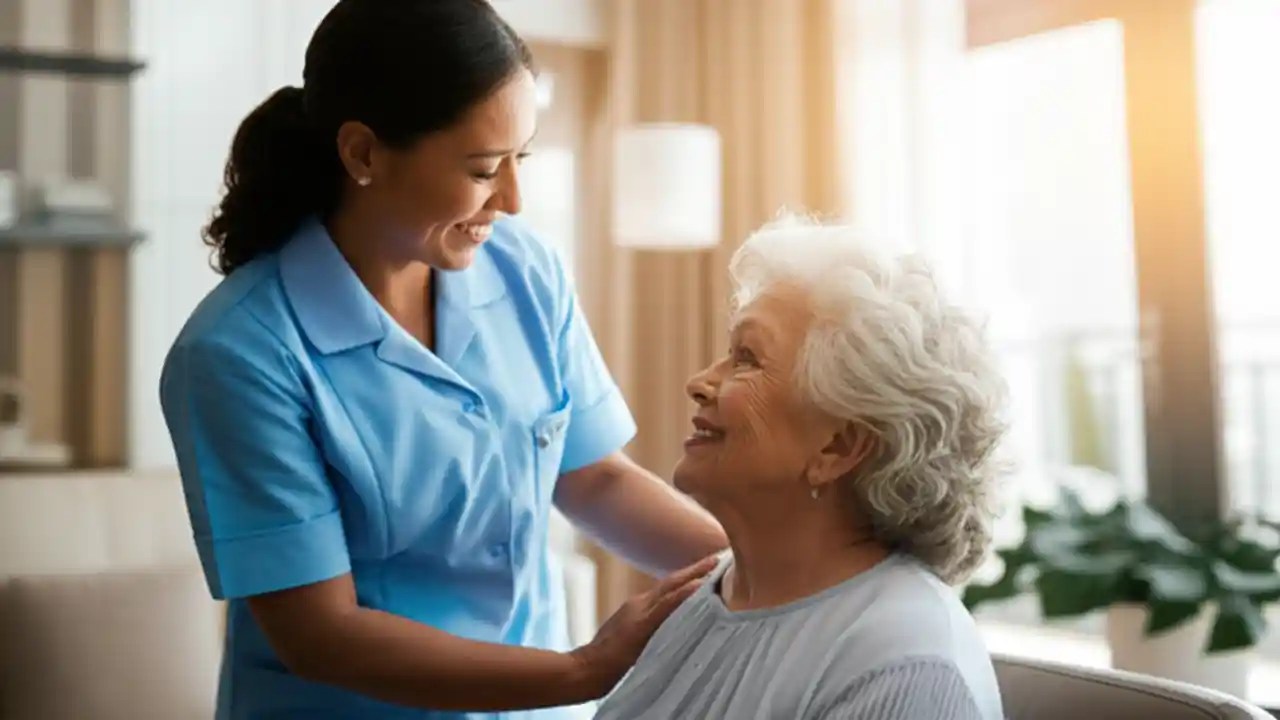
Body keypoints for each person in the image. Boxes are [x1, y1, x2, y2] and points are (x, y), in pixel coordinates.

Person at [157, 1, 726, 718]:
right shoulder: (239, 354)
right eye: (485, 168)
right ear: (363, 154)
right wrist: (586, 669)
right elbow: (321, 636)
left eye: (522, 158)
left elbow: (597, 479)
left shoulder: (526, 272)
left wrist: (767, 562)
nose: (514, 200)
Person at [593, 216, 1010, 720]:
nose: (700, 381)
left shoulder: (904, 665)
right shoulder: (710, 598)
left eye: (746, 358)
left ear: (838, 447)